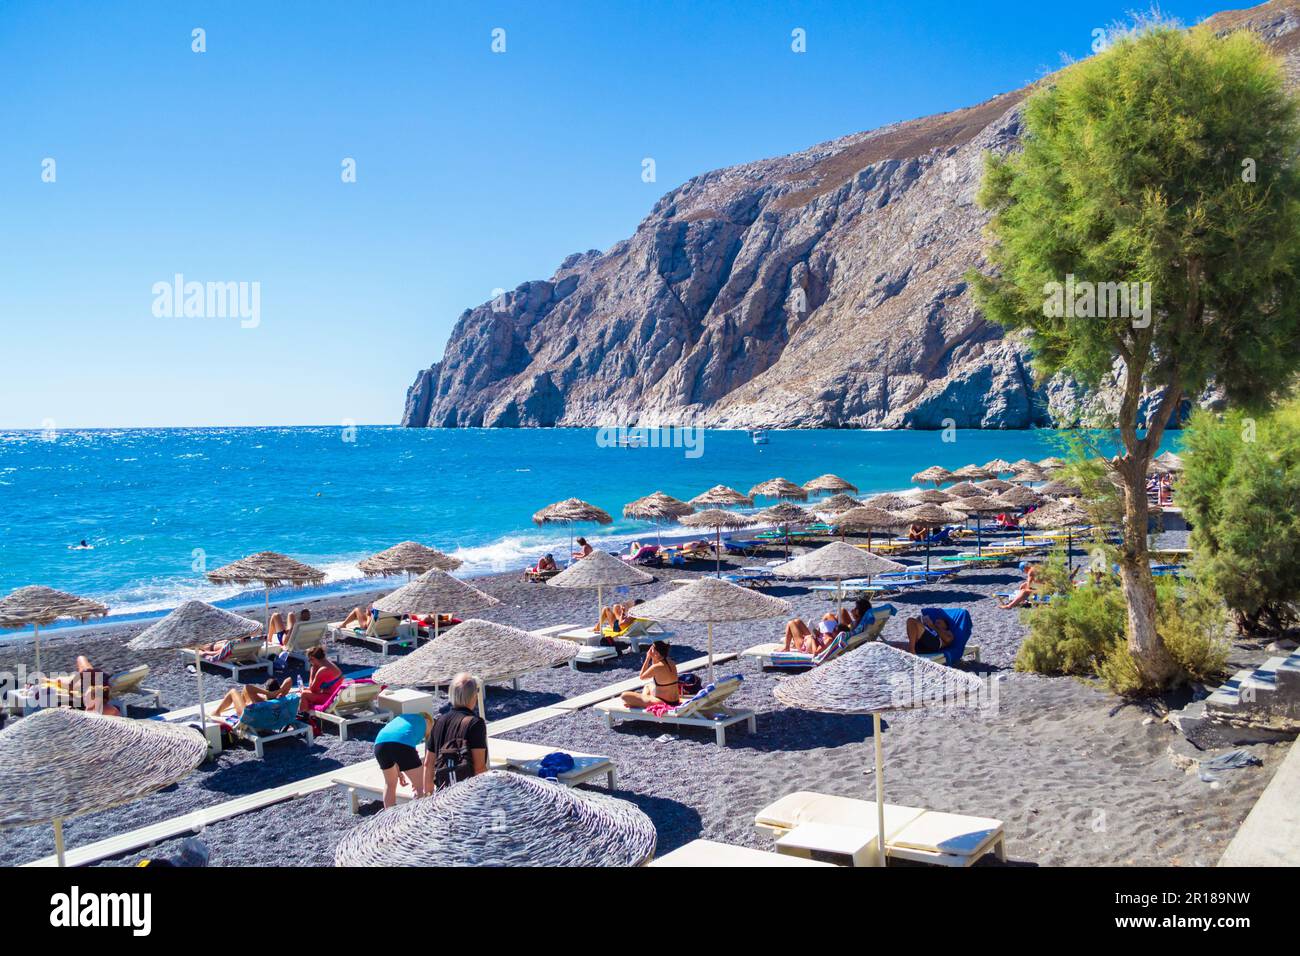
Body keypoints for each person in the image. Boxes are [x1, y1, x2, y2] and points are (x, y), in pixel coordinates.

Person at [425, 674, 489, 790]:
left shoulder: (439, 722)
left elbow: (428, 763)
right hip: (467, 795)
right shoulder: (475, 724)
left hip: (444, 794)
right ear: (473, 695)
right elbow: (479, 768)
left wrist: (429, 795)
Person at [374, 710, 433, 807]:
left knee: (390, 784)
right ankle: (420, 814)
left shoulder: (405, 719)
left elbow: (394, 743)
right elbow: (427, 749)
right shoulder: (427, 722)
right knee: (420, 787)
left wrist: (399, 771)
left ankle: (388, 818)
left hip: (379, 744)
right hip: (401, 745)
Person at [619, 642, 680, 709]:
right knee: (648, 686)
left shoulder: (656, 667)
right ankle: (642, 701)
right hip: (675, 700)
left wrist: (647, 658)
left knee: (624, 695)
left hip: (662, 702)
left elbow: (642, 676)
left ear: (657, 652)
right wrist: (654, 657)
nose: (650, 649)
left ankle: (641, 703)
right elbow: (657, 667)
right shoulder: (670, 661)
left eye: (652, 648)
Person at [211, 677, 293, 718]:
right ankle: (217, 711)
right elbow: (289, 680)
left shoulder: (261, 700)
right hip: (268, 717)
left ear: (266, 689)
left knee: (233, 691)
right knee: (244, 692)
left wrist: (269, 693)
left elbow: (248, 687)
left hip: (247, 717)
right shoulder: (281, 699)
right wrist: (278, 692)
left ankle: (217, 712)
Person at [296, 645, 343, 713]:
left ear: (313, 658)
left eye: (309, 659)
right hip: (337, 697)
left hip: (330, 699)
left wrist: (312, 671)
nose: (309, 662)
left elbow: (313, 689)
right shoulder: (330, 665)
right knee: (306, 691)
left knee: (304, 694)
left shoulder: (323, 670)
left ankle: (304, 715)